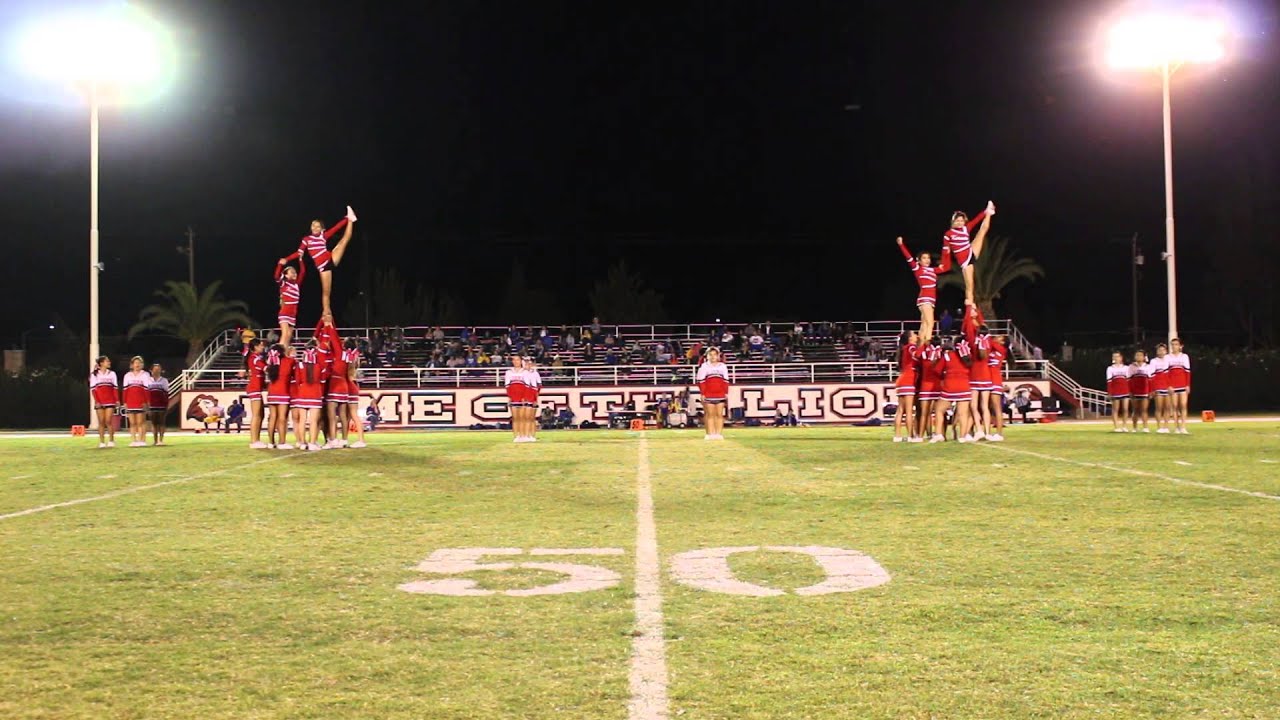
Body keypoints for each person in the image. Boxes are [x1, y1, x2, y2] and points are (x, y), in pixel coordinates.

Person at [284, 205, 358, 321]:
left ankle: (351, 219)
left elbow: (336, 228)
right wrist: (287, 259)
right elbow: (299, 253)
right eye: (313, 225)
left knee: (345, 239)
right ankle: (326, 312)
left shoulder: (324, 236)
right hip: (324, 267)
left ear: (322, 229)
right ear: (310, 227)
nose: (315, 227)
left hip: (331, 257)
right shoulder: (306, 239)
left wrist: (345, 219)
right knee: (326, 292)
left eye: (318, 226)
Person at [938, 201, 995, 308]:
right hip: (965, 261)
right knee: (970, 284)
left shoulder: (966, 228)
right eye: (957, 221)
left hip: (971, 250)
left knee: (982, 231)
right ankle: (970, 305)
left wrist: (984, 212)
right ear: (953, 221)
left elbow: (976, 220)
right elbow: (946, 250)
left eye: (961, 220)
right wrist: (944, 264)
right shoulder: (948, 234)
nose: (960, 223)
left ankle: (989, 212)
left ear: (964, 221)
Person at [896, 237, 938, 344]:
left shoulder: (933, 270)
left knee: (924, 324)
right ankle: (927, 345)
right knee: (930, 323)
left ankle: (920, 347)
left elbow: (946, 267)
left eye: (928, 258)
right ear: (918, 260)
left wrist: (947, 250)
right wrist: (901, 244)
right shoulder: (918, 269)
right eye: (924, 258)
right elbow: (909, 258)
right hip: (926, 299)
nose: (927, 260)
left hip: (930, 300)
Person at [291, 341, 328, 451]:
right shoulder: (318, 366)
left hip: (302, 393)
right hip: (315, 394)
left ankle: (302, 443)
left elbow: (297, 381)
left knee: (302, 420)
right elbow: (322, 379)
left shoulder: (299, 365)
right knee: (313, 421)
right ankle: (312, 443)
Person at [940, 336, 975, 442]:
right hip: (964, 386)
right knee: (963, 414)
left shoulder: (948, 355)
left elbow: (938, 369)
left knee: (939, 410)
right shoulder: (968, 357)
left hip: (950, 387)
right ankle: (963, 436)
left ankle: (939, 434)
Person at [892, 330, 921, 443]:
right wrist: (923, 347)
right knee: (909, 411)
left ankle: (897, 436)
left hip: (901, 380)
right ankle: (910, 436)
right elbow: (917, 355)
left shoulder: (903, 348)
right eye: (914, 334)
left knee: (900, 410)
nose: (916, 335)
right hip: (908, 380)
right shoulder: (910, 347)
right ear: (910, 338)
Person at [264, 344, 296, 449]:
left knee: (273, 417)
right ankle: (282, 442)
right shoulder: (289, 361)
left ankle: (270, 442)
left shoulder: (271, 363)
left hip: (272, 392)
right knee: (282, 418)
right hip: (283, 392)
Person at [696, 347, 730, 440]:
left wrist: (726, 392)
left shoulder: (723, 366)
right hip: (708, 393)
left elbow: (726, 380)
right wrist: (703, 393)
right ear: (707, 356)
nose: (713, 357)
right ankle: (709, 434)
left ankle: (718, 434)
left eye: (715, 354)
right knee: (709, 414)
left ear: (718, 356)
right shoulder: (704, 366)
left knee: (719, 414)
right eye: (710, 355)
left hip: (720, 393)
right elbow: (701, 381)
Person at [917, 338, 945, 442]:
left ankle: (921, 436)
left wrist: (924, 344)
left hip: (925, 385)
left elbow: (917, 356)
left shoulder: (925, 352)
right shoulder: (942, 354)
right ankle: (942, 434)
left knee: (925, 413)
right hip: (938, 385)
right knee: (941, 412)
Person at [243, 339, 269, 448]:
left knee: (261, 414)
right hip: (254, 388)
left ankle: (257, 439)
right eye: (260, 346)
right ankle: (254, 441)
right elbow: (266, 368)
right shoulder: (254, 358)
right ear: (255, 347)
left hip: (257, 388)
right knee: (256, 415)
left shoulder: (257, 357)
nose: (262, 348)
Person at [90, 356, 119, 449]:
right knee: (101, 422)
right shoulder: (94, 374)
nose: (109, 362)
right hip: (100, 401)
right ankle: (102, 442)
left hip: (110, 400)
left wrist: (117, 400)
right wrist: (97, 401)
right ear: (101, 363)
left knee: (108, 421)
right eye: (107, 361)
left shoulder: (112, 374)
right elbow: (93, 389)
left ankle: (111, 441)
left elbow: (115, 388)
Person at [121, 356, 151, 447]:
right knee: (132, 423)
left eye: (139, 363)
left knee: (141, 422)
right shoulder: (127, 375)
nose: (137, 364)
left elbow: (147, 389)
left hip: (141, 402)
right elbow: (125, 390)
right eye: (136, 363)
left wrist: (147, 401)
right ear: (132, 365)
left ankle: (142, 440)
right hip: (130, 402)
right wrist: (124, 402)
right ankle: (133, 440)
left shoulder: (145, 375)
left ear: (142, 365)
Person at [273, 258, 301, 348]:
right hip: (285, 312)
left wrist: (300, 260)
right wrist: (280, 264)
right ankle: (277, 354)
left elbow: (303, 272)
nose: (294, 273)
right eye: (291, 272)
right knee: (284, 334)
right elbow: (276, 276)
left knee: (289, 337)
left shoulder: (296, 285)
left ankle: (284, 355)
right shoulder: (284, 283)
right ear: (286, 275)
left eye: (295, 272)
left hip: (293, 314)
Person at [1166, 338, 1192, 434]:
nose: (1174, 346)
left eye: (1176, 344)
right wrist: (1169, 385)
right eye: (1172, 344)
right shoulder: (1168, 357)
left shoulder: (1184, 356)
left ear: (1180, 346)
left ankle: (1183, 427)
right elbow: (1166, 373)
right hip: (1173, 385)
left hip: (1182, 385)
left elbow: (1187, 372)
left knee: (1183, 405)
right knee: (1175, 406)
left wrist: (1187, 385)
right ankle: (1177, 427)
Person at [985, 334, 1008, 441]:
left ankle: (999, 433)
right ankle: (986, 432)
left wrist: (987, 337)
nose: (996, 337)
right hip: (987, 379)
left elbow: (990, 342)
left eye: (1000, 337)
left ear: (1003, 342)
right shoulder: (992, 348)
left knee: (996, 408)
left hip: (995, 380)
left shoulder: (1001, 349)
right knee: (986, 407)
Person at [505, 355, 529, 442]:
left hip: (522, 397)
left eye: (517, 360)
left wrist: (524, 397)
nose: (516, 361)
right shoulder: (508, 372)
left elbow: (527, 386)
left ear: (521, 361)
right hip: (513, 397)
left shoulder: (525, 372)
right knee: (515, 418)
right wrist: (509, 397)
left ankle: (523, 435)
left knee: (522, 417)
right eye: (514, 360)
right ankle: (516, 436)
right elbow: (507, 386)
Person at [1106, 351, 1131, 433]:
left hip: (1125, 391)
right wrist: (1110, 392)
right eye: (1114, 356)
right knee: (1115, 409)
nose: (1116, 358)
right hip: (1116, 391)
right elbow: (1109, 382)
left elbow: (1129, 380)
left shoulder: (1126, 368)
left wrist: (1130, 390)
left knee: (1125, 409)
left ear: (1121, 358)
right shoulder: (1110, 368)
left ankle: (1124, 426)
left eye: (1117, 356)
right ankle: (1116, 427)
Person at [1128, 349, 1152, 433]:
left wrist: (1150, 391)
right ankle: (1135, 427)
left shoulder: (1148, 366)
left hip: (1144, 391)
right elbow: (1129, 380)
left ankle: (1145, 427)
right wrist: (1130, 391)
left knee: (1144, 409)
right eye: (1137, 355)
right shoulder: (1131, 366)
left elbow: (1150, 380)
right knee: (1135, 409)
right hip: (1135, 391)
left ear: (1144, 357)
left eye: (1140, 355)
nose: (1138, 357)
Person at [1149, 343, 1171, 433]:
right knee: (1159, 408)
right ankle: (1159, 427)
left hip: (1168, 387)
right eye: (1159, 350)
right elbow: (1151, 376)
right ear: (1157, 352)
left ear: (1166, 351)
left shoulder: (1169, 360)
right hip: (1158, 387)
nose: (1161, 352)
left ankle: (1166, 426)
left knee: (1167, 408)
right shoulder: (1153, 361)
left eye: (1163, 350)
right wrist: (1152, 389)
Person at [146, 363, 170, 446]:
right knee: (154, 423)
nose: (156, 371)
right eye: (155, 369)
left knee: (162, 423)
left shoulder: (164, 380)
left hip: (161, 405)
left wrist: (166, 404)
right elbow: (146, 393)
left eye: (158, 369)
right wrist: (147, 404)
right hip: (152, 405)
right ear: (151, 370)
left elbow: (166, 393)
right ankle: (155, 440)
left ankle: (161, 440)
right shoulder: (148, 380)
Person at [525, 358, 543, 442]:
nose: (528, 365)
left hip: (532, 396)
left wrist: (536, 397)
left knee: (531, 417)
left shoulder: (535, 373)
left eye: (529, 363)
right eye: (526, 363)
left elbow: (539, 386)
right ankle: (524, 435)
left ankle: (532, 435)